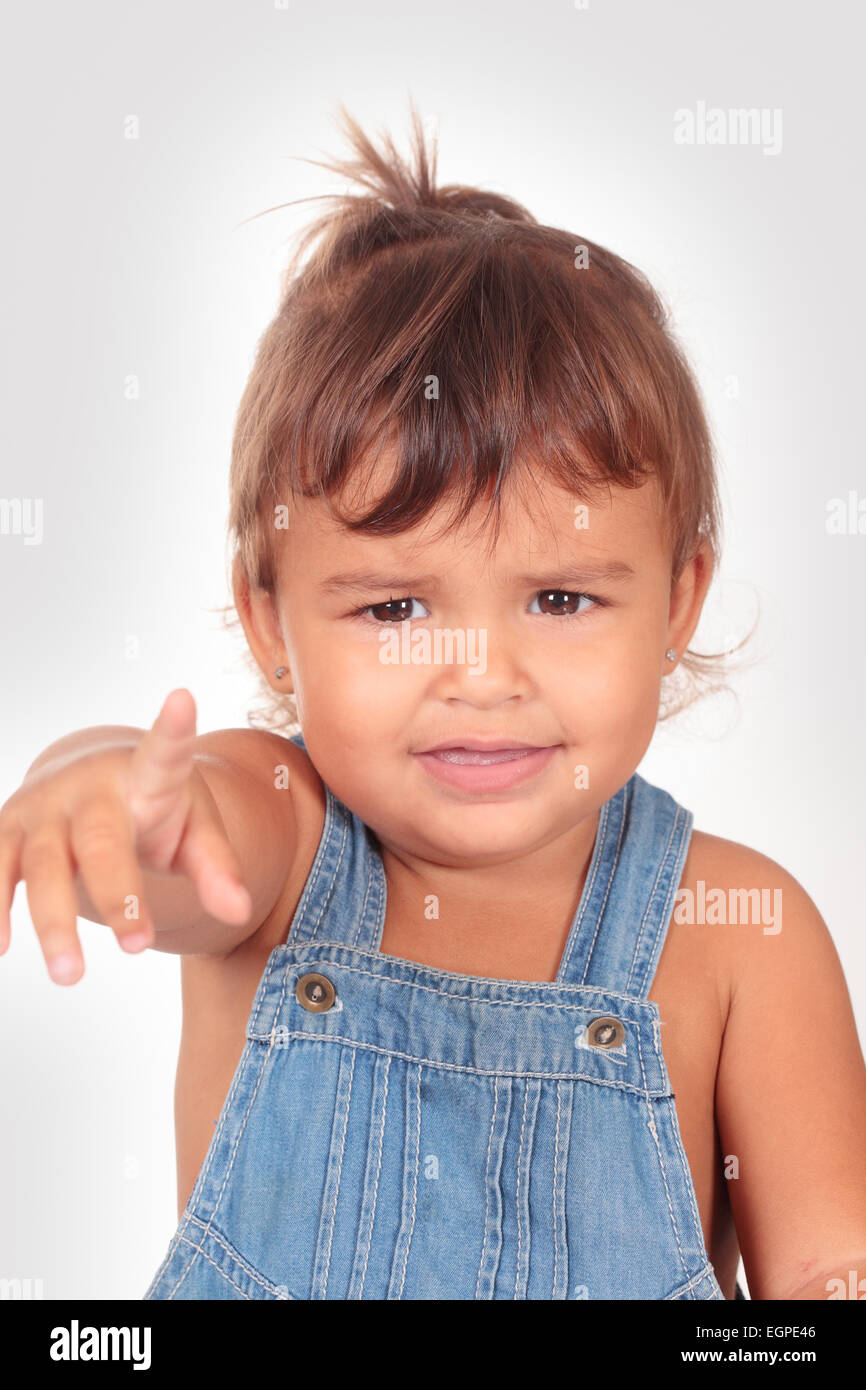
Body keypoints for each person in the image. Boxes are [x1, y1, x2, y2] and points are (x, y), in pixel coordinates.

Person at [3, 104, 865, 1301]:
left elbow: (829, 1270)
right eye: (394, 610)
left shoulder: (738, 935)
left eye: (560, 599)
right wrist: (101, 786)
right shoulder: (285, 843)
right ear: (270, 620)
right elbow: (189, 832)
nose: (479, 671)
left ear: (676, 602)